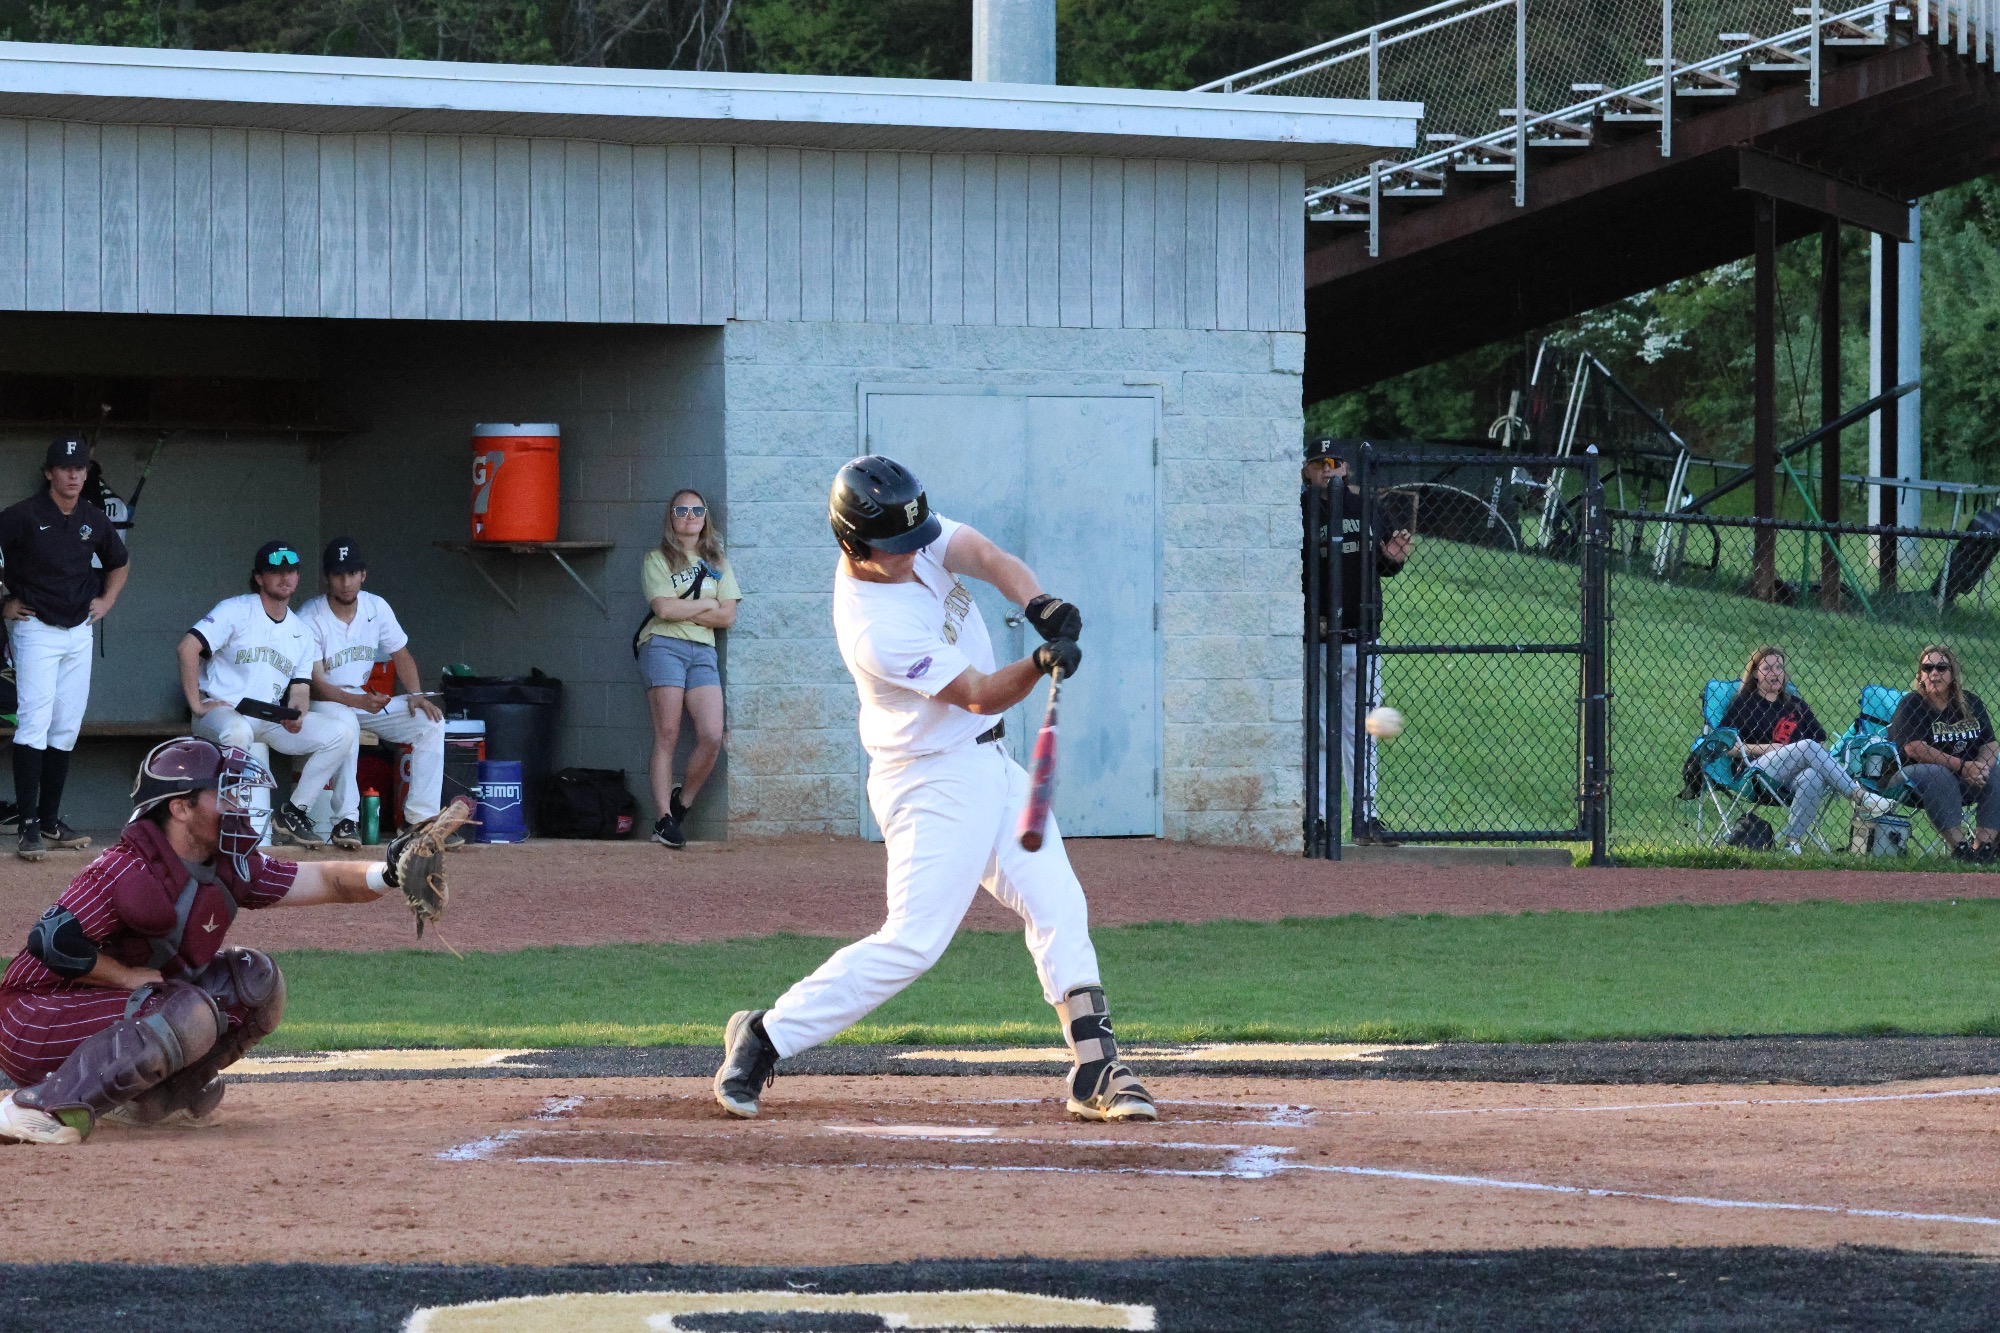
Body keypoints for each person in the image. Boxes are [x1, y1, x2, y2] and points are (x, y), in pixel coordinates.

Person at [712, 456, 1155, 1124]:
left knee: (1059, 903)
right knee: (914, 941)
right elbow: (977, 695)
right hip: (930, 781)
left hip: (989, 764)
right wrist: (1039, 662)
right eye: (898, 546)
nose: (916, 552)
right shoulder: (875, 627)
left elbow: (986, 555)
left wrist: (1037, 602)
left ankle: (1095, 1067)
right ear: (854, 545)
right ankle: (765, 1035)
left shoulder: (907, 534)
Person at [0, 738, 412, 1143]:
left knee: (254, 982)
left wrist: (391, 871)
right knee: (185, 1011)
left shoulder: (226, 863)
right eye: (227, 795)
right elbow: (51, 941)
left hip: (101, 1014)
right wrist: (125, 977)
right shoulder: (125, 867)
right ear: (180, 808)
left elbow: (325, 880)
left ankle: (150, 1100)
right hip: (30, 1018)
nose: (239, 808)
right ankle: (33, 1106)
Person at [0, 436, 131, 861]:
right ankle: (28, 824)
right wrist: (4, 603)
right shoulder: (23, 514)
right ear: (49, 473)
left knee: (67, 725)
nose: (74, 475)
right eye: (66, 468)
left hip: (79, 631)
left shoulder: (93, 516)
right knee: (34, 723)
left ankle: (50, 819)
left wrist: (106, 601)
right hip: (36, 627)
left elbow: (120, 562)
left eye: (80, 469)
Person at [177, 541, 354, 850]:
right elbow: (187, 647)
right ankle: (229, 816)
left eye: (291, 571)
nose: (285, 578)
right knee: (238, 731)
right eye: (275, 572)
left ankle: (294, 812)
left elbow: (300, 688)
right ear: (259, 577)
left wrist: (296, 713)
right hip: (223, 712)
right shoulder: (236, 610)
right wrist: (196, 704)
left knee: (341, 733)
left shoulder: (301, 631)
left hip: (268, 716)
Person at [301, 538, 448, 850]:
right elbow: (314, 683)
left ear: (363, 575)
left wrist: (416, 694)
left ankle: (420, 821)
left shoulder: (376, 607)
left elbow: (401, 654)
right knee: (345, 724)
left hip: (362, 699)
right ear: (326, 577)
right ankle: (345, 820)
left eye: (352, 573)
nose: (346, 582)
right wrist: (358, 702)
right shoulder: (310, 616)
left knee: (430, 722)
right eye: (338, 574)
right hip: (322, 702)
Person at [1301, 437, 1412, 834]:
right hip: (1316, 641)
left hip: (1363, 638)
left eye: (1335, 462)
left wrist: (1394, 559)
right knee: (1317, 734)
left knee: (1362, 732)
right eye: (1320, 463)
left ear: (1346, 468)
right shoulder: (1298, 512)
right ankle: (1316, 820)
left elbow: (1382, 564)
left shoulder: (1366, 508)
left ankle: (1364, 818)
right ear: (1307, 471)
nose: (1328, 469)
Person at [637, 489, 740, 849]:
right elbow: (663, 609)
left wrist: (690, 610)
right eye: (681, 510)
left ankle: (682, 802)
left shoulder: (717, 561)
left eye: (697, 510)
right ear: (671, 517)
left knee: (712, 735)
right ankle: (663, 819)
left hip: (703, 652)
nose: (690, 516)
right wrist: (707, 605)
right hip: (663, 646)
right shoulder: (657, 559)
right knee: (667, 733)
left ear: (705, 516)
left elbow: (727, 616)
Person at [1719, 645, 1895, 855]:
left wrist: (1806, 756)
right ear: (1755, 674)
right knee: (1807, 746)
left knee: (1813, 776)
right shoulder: (1743, 704)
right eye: (1767, 668)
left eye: (1779, 667)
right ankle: (1860, 796)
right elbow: (1726, 746)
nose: (1775, 673)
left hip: (1792, 775)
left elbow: (1821, 744)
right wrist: (1766, 748)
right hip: (1757, 772)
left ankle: (1792, 842)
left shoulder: (1796, 705)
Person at [1888, 644, 2000, 861]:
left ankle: (1984, 849)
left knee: (1998, 773)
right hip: (1913, 780)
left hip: (1967, 777)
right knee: (1938, 774)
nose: (1934, 673)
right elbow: (1914, 748)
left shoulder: (1970, 702)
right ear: (1920, 675)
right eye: (1927, 668)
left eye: (1941, 668)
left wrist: (1981, 769)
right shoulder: (1912, 704)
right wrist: (1962, 766)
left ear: (1952, 674)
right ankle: (1961, 848)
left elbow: (1990, 744)